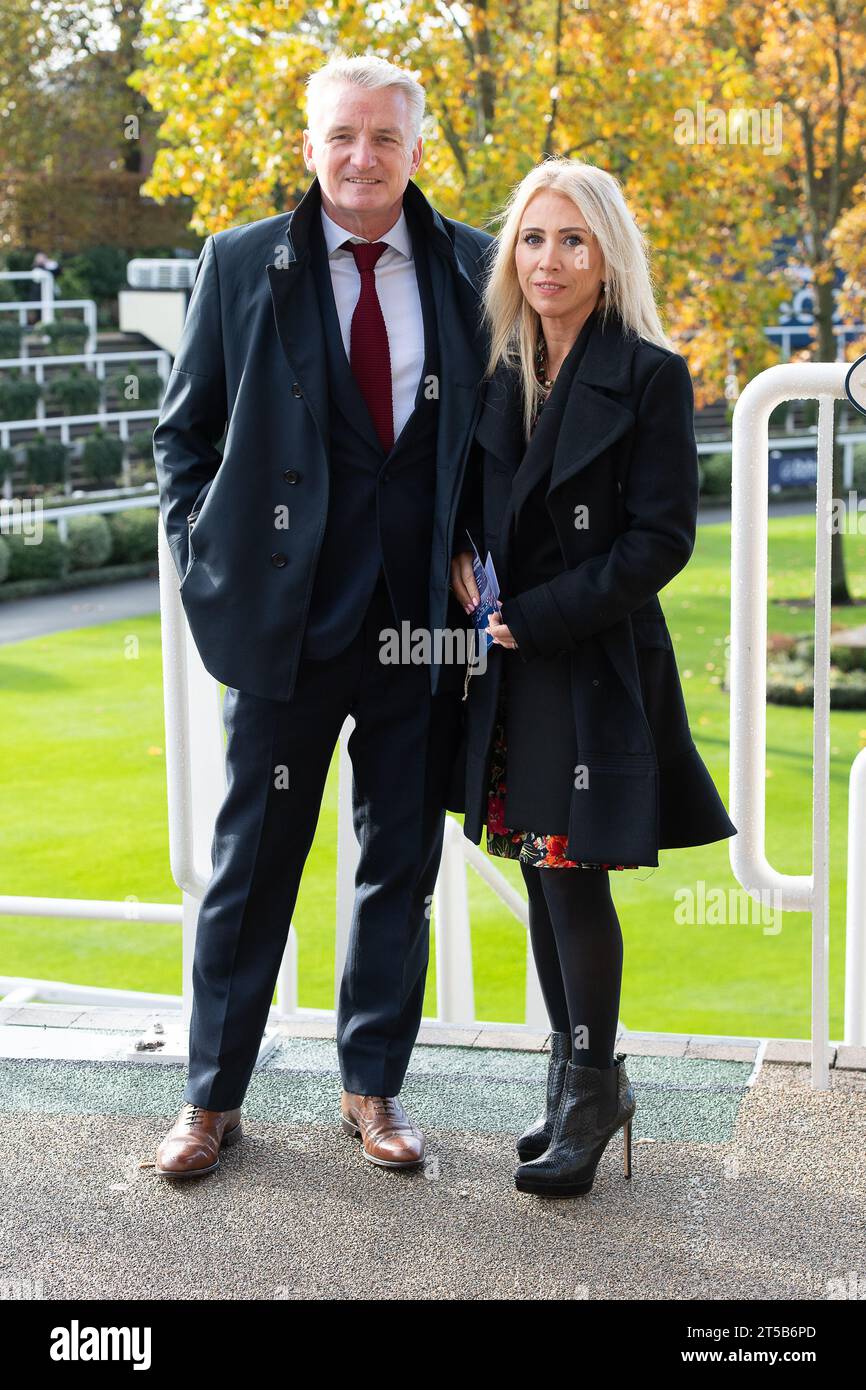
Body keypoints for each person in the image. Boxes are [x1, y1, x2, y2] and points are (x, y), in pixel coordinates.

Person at [152, 54, 492, 1177]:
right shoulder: (241, 262)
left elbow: (495, 444)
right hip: (285, 630)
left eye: (383, 139)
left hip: (418, 631)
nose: (362, 157)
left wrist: (476, 556)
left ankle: (372, 1089)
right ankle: (211, 1099)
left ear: (414, 149)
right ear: (311, 143)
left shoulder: (470, 267)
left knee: (399, 862)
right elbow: (183, 440)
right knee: (254, 864)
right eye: (342, 135)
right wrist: (209, 564)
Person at [450, 158, 737, 1197]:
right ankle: (577, 1079)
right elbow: (476, 503)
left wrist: (532, 617)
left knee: (570, 880)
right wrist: (463, 563)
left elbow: (661, 540)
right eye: (532, 237)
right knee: (535, 873)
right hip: (505, 671)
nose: (547, 259)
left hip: (587, 663)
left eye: (571, 240)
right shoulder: (499, 363)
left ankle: (590, 1088)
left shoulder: (650, 372)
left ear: (608, 255)